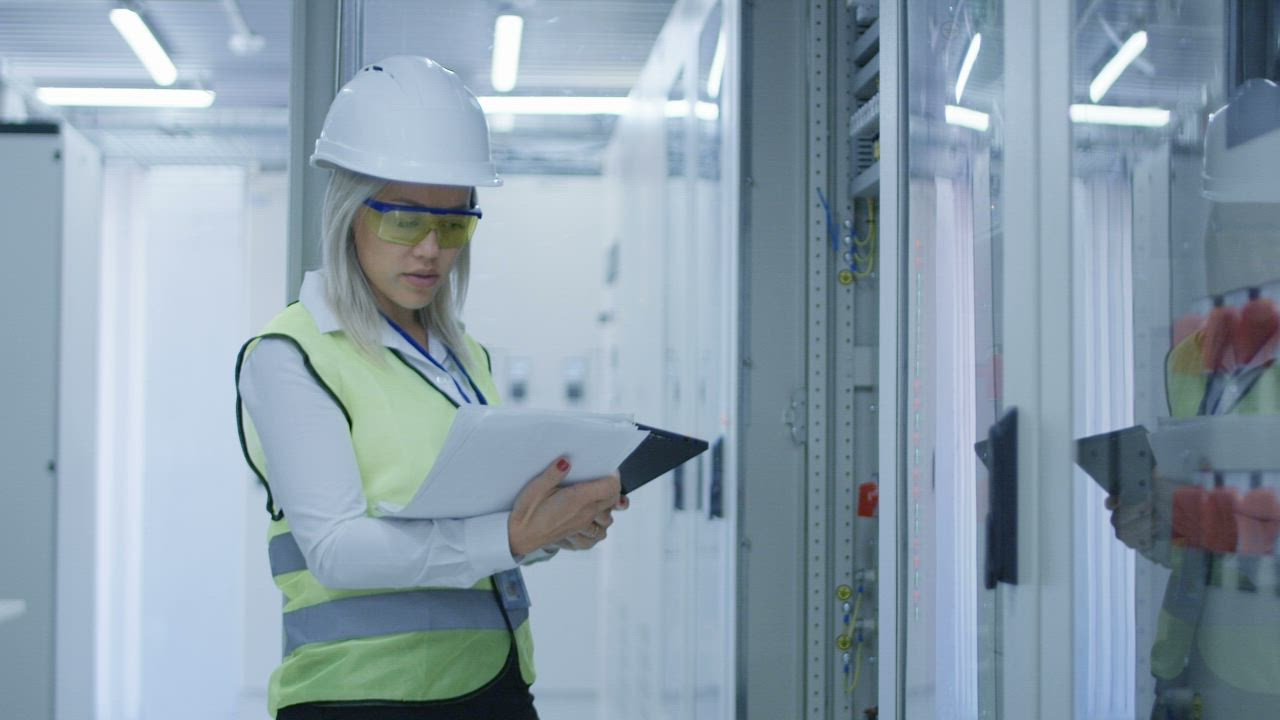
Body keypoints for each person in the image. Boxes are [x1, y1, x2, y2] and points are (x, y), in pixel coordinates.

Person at [234, 55, 627, 719]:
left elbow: (478, 530)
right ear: (348, 214)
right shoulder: (292, 355)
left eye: (452, 224)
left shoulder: (460, 354)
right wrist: (514, 537)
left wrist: (557, 527)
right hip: (361, 699)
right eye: (403, 218)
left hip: (493, 687)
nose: (430, 250)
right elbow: (334, 551)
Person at [1108, 79, 1280, 718]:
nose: (1246, 254)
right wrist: (1153, 524)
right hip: (1186, 673)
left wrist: (1205, 518)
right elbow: (1194, 545)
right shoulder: (1187, 361)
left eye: (1268, 231)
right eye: (1229, 228)